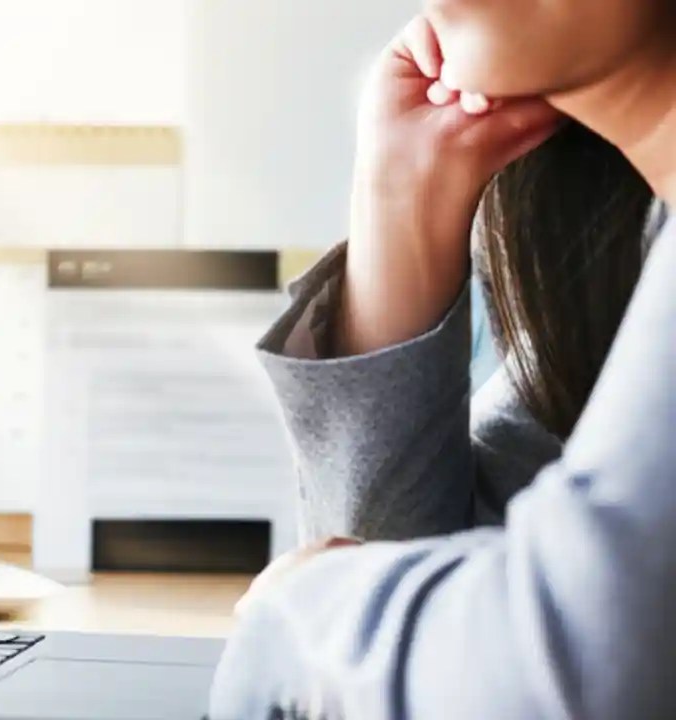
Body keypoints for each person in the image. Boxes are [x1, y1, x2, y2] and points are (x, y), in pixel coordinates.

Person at [209, 1, 676, 717]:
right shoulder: (634, 234)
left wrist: (297, 620)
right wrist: (401, 203)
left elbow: (591, 657)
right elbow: (431, 624)